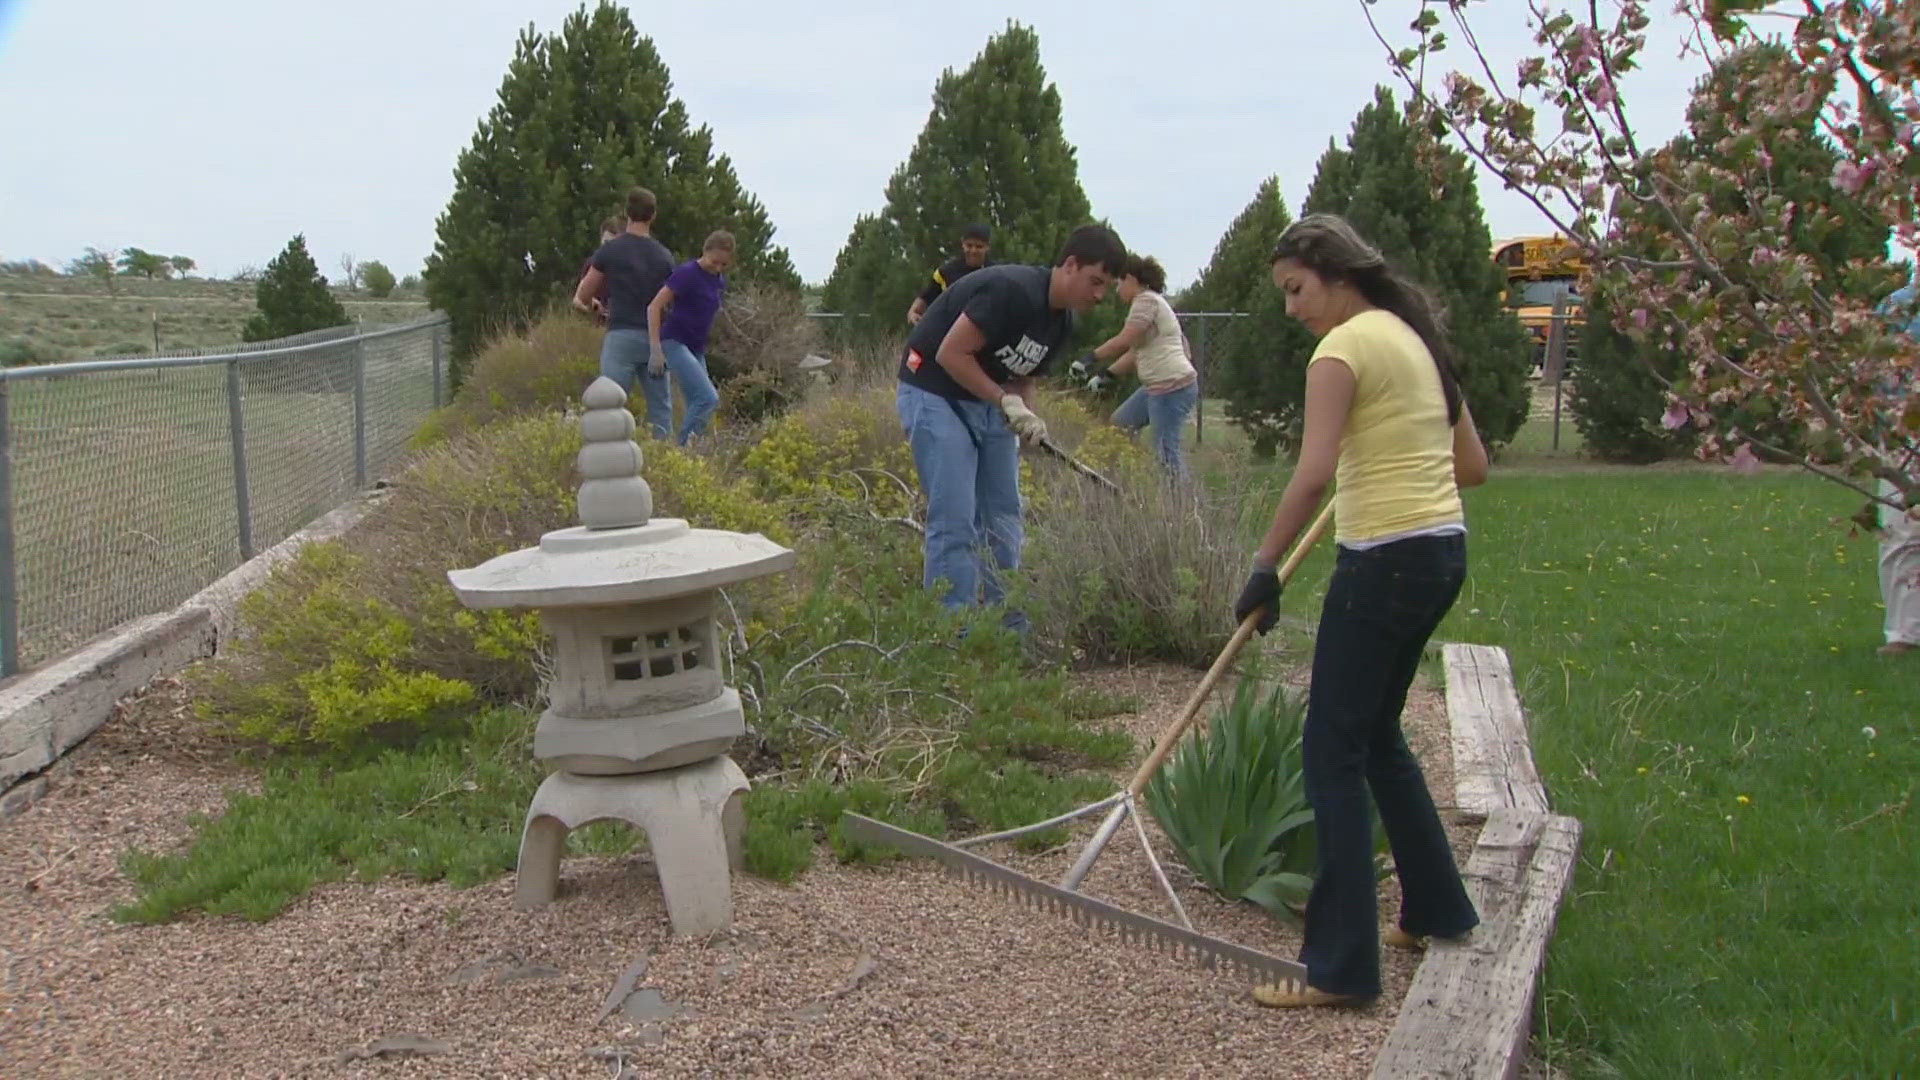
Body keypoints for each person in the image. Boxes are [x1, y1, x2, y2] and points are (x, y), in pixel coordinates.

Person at [1231, 214, 1490, 1010]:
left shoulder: (1341, 349)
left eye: (1295, 289)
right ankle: (1436, 910)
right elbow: (1471, 467)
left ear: (1331, 271)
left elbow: (1311, 474)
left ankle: (1340, 968)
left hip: (1382, 562)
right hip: (1442, 553)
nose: (1291, 308)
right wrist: (1384, 458)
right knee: (1375, 738)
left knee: (1331, 752)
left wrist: (1264, 567)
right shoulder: (1414, 338)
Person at [896, 224, 1128, 625]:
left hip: (985, 396)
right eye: (1094, 281)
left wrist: (1026, 416)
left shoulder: (1061, 323)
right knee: (955, 516)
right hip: (932, 389)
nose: (1098, 294)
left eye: (1105, 286)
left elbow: (1023, 373)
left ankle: (1008, 627)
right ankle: (954, 633)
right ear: (1070, 265)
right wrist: (1005, 400)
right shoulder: (1011, 291)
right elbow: (952, 354)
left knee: (1004, 513)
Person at [1066, 254, 1200, 479]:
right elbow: (1135, 353)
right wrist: (1105, 375)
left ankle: (1182, 507)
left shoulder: (1145, 301)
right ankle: (1133, 478)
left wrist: (1087, 359)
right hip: (1156, 387)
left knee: (1166, 452)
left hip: (1171, 387)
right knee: (1121, 424)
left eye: (1119, 283)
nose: (1117, 290)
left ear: (1130, 279)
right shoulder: (1151, 302)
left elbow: (1124, 339)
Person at [573, 187, 675, 396]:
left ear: (627, 213)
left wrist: (593, 304)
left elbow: (584, 294)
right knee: (661, 409)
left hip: (620, 334)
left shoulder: (610, 250)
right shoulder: (664, 256)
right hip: (654, 337)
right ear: (653, 216)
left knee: (610, 402)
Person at [644, 230, 733, 446]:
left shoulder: (717, 280)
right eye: (715, 262)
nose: (718, 268)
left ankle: (693, 447)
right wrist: (655, 348)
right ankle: (683, 450)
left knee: (700, 402)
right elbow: (654, 306)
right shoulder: (687, 273)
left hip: (696, 347)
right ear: (705, 251)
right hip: (674, 341)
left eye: (724, 265)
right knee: (707, 398)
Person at [1873, 277, 1920, 656]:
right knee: (1901, 531)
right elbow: (1872, 377)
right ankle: (1904, 633)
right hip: (1904, 433)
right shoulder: (1895, 308)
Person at [906, 223, 994, 326]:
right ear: (962, 244)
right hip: (952, 331)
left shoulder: (995, 272)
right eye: (969, 245)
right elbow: (926, 296)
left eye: (979, 247)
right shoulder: (946, 272)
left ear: (987, 247)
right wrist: (913, 312)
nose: (973, 251)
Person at [577, 215, 625, 326]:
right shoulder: (593, 263)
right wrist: (593, 306)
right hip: (597, 324)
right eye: (606, 243)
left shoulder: (631, 266)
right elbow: (577, 300)